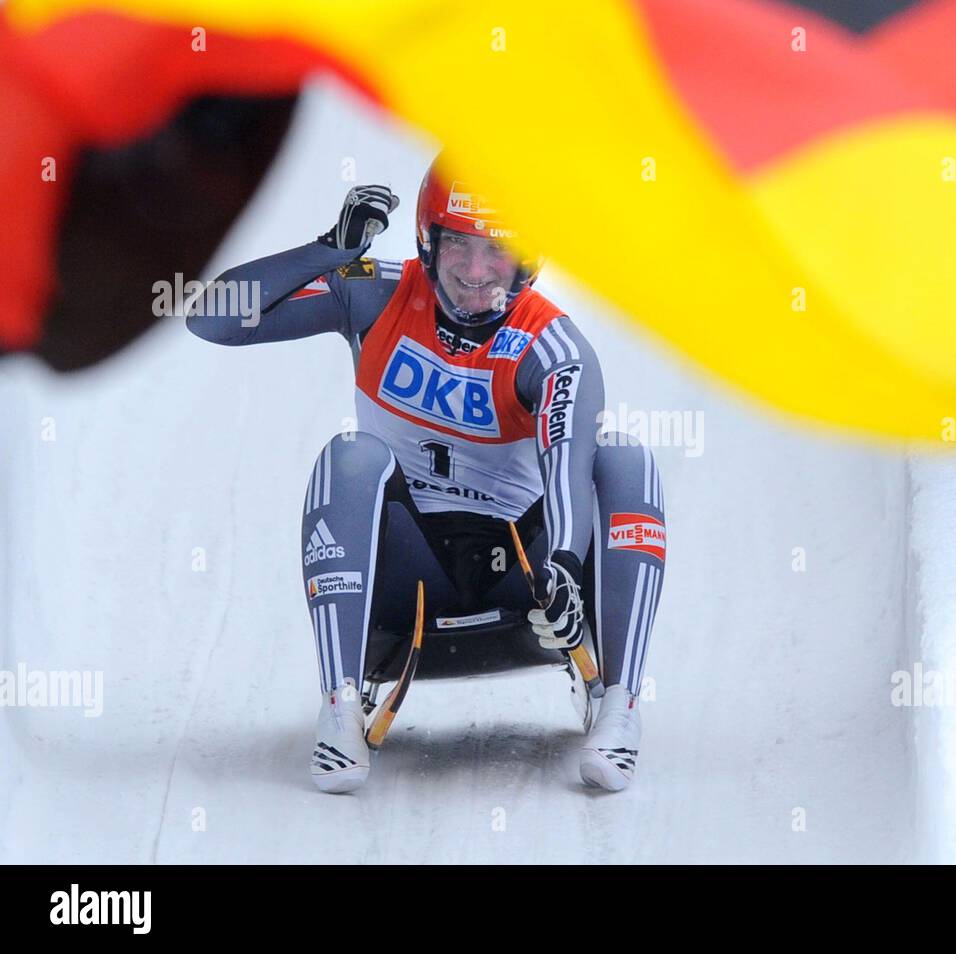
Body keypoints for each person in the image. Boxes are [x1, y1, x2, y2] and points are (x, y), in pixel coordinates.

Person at [186, 158, 666, 793]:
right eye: (458, 245)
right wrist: (328, 252)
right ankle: (339, 703)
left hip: (526, 582)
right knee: (349, 455)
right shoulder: (375, 290)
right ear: (427, 243)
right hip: (403, 569)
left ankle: (621, 707)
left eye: (495, 250)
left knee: (625, 458)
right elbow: (211, 317)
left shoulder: (555, 349)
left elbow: (570, 467)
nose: (473, 271)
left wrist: (566, 572)